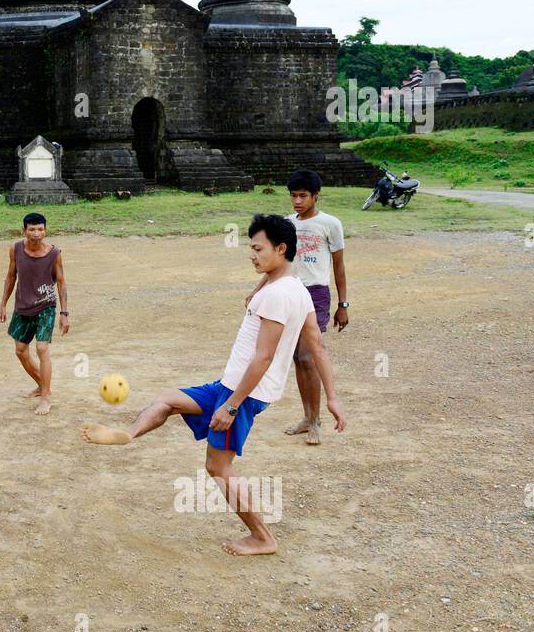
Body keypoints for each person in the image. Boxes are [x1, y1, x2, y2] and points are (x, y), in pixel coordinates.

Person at [82, 214, 346, 556]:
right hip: (230, 384)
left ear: (281, 249)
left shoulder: (277, 296)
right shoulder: (294, 288)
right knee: (169, 400)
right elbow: (317, 346)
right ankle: (129, 434)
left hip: (244, 393)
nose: (251, 255)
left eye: (257, 248)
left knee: (217, 466)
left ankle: (262, 537)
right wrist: (333, 399)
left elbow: (263, 358)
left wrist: (231, 405)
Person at [273, 169, 348, 446]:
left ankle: (316, 421)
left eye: (303, 196)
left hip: (315, 294)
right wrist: (258, 291)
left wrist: (343, 304)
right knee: (297, 359)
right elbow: (277, 264)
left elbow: (339, 267)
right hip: (288, 292)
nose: (297, 201)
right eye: (293, 196)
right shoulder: (286, 224)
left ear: (316, 196)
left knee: (307, 357)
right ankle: (307, 417)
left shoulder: (330, 224)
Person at [0, 212, 69, 415]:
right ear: (24, 231)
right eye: (32, 229)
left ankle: (45, 398)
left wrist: (64, 313)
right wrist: (3, 304)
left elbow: (61, 283)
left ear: (45, 230)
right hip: (23, 307)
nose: (37, 233)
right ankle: (41, 384)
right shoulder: (16, 249)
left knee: (42, 348)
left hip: (45, 306)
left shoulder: (54, 253)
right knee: (20, 350)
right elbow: (11, 276)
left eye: (40, 229)